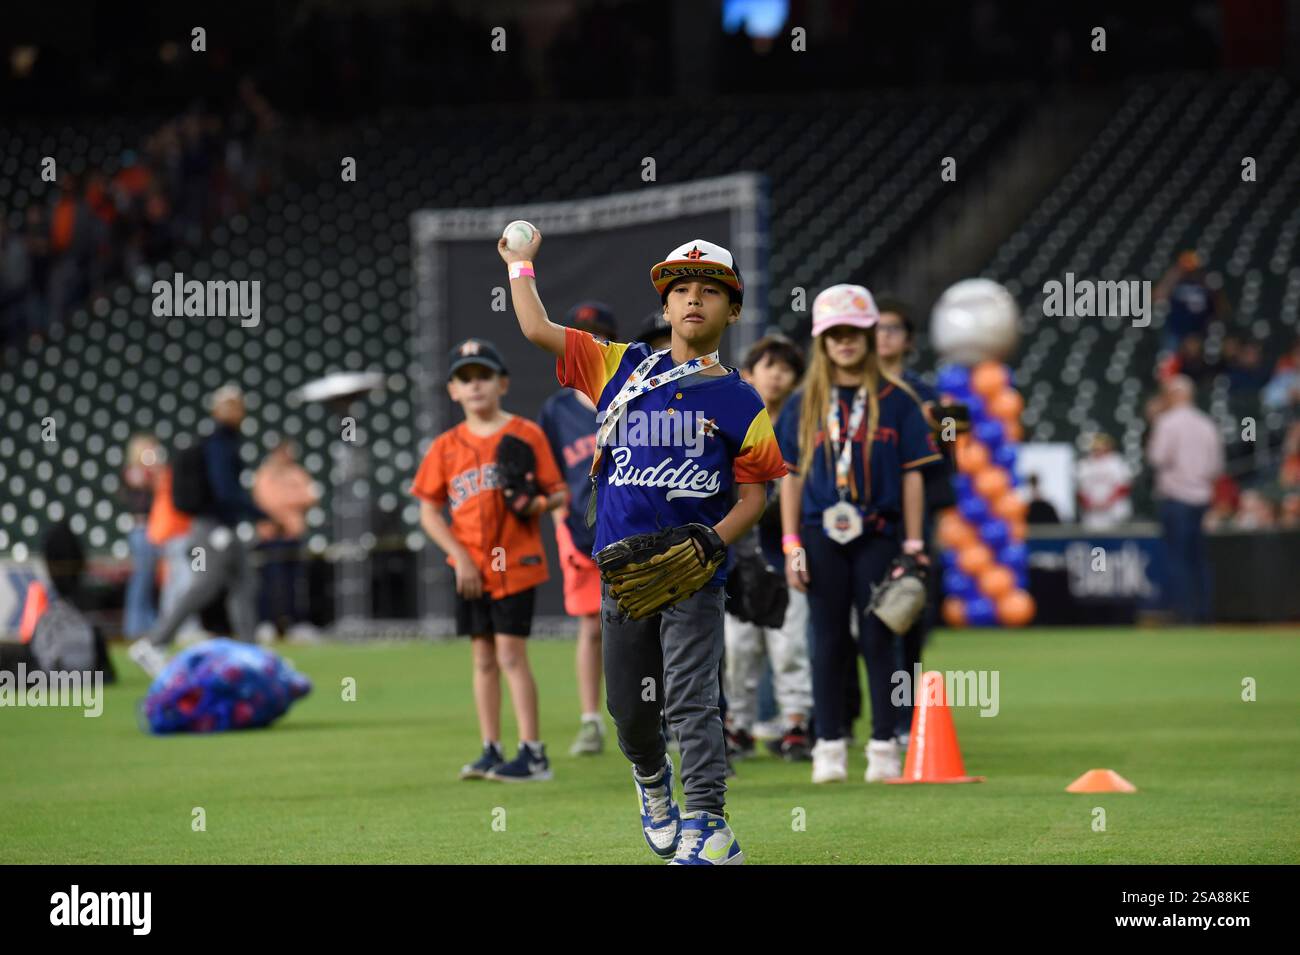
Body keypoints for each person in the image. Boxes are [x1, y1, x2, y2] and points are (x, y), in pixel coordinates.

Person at [502, 231, 784, 865]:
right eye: (681, 289)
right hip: (624, 573)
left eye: (710, 291)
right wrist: (519, 264)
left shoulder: (741, 400)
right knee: (630, 710)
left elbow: (754, 497)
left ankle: (709, 822)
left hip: (695, 572)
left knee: (692, 698)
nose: (693, 300)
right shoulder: (620, 364)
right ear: (666, 303)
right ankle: (654, 785)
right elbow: (536, 328)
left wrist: (712, 540)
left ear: (731, 310)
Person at [776, 284, 940, 785]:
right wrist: (790, 545)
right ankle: (829, 745)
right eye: (835, 335)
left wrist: (914, 544)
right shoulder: (803, 403)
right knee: (825, 641)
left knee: (879, 638)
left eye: (854, 334)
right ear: (822, 343)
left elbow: (914, 473)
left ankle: (884, 743)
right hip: (819, 535)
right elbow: (790, 476)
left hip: (879, 533)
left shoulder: (899, 401)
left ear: (869, 337)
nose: (845, 343)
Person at [410, 337, 568, 783]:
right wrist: (458, 555)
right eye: (465, 379)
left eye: (483, 377)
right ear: (452, 391)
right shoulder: (445, 446)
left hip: (516, 562)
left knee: (512, 657)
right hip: (470, 570)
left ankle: (534, 753)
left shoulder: (526, 433)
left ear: (503, 384)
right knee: (482, 659)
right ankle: (491, 749)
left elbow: (557, 493)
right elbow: (427, 510)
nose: (475, 385)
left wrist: (534, 504)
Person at [129, 385, 268, 675]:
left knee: (244, 584)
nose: (237, 411)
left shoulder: (227, 441)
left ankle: (252, 654)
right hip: (211, 529)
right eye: (231, 405)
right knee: (204, 584)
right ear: (218, 410)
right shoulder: (218, 444)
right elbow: (225, 490)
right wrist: (259, 513)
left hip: (224, 527)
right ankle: (154, 643)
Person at [723, 334, 812, 761]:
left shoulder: (800, 428)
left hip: (785, 552)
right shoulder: (731, 422)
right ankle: (737, 726)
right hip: (739, 554)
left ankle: (796, 723)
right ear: (751, 371)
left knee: (788, 643)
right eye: (767, 365)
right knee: (739, 648)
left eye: (786, 368)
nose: (776, 375)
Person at [873, 298, 956, 745]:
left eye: (893, 328)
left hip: (912, 522)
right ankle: (850, 719)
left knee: (908, 616)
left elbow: (947, 455)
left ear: (908, 340)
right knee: (856, 626)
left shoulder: (926, 394)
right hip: (864, 518)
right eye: (878, 327)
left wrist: (938, 427)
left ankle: (904, 719)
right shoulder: (850, 389)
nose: (884, 336)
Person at [538, 301, 618, 756]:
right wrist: (561, 532)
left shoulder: (629, 391)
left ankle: (655, 716)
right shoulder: (556, 410)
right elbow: (550, 480)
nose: (590, 339)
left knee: (643, 623)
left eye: (599, 333)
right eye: (581, 333)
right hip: (580, 531)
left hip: (630, 528)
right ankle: (591, 720)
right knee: (591, 626)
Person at [1146, 375, 1224, 623]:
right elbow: (1216, 467)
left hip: (1176, 498)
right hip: (1201, 499)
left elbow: (1157, 458)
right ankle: (1204, 612)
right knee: (1199, 558)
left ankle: (1183, 613)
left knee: (1177, 558)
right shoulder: (1206, 423)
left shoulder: (1167, 423)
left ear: (1174, 395)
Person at [252, 439, 319, 643]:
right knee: (270, 583)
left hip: (292, 536)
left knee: (294, 583)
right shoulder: (265, 475)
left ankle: (295, 624)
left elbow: (310, 497)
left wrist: (285, 505)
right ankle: (267, 624)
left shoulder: (297, 473)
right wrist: (287, 507)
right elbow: (265, 501)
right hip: (271, 538)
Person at [120, 434, 163, 639]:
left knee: (150, 579)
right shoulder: (134, 472)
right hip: (142, 530)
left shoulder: (151, 472)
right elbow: (141, 486)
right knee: (142, 578)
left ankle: (149, 623)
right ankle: (135, 626)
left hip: (155, 529)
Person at [1075, 433, 1133, 528]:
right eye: (1095, 446)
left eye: (1102, 445)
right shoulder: (1084, 464)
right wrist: (1090, 503)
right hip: (1092, 513)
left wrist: (1108, 502)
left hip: (1115, 511)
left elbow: (1125, 486)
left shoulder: (1117, 461)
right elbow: (1080, 490)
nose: (1098, 449)